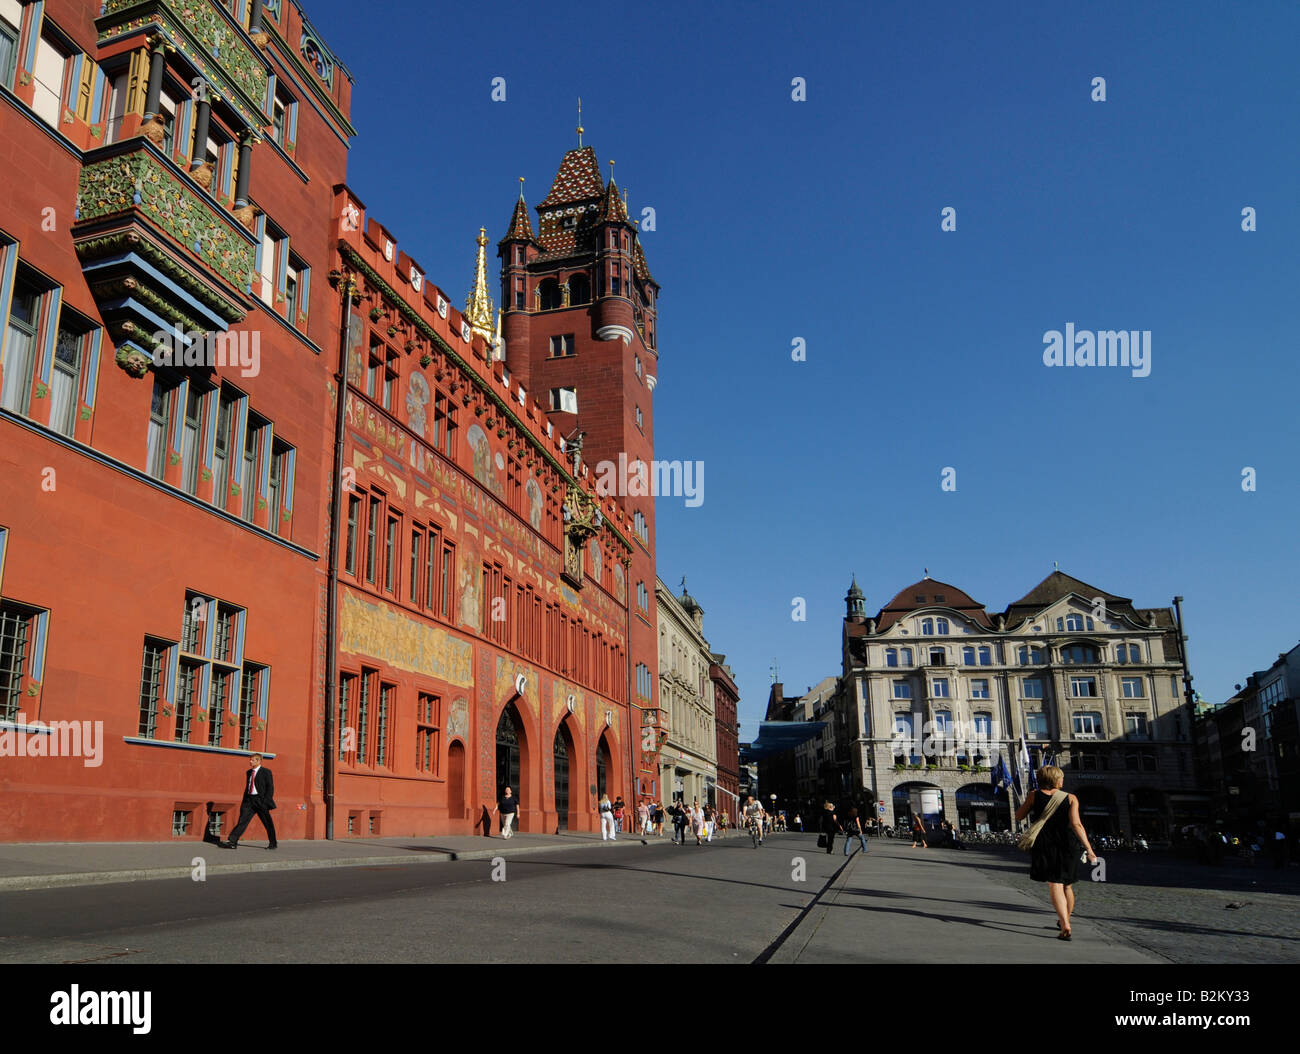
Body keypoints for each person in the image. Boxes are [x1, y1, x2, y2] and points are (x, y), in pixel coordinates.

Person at [1014, 764, 1097, 940]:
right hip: (1068, 844)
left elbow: (1018, 816)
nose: (1063, 780)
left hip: (1045, 844)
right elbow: (1076, 825)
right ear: (1055, 780)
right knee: (1067, 884)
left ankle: (1065, 924)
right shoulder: (1071, 798)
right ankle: (1065, 920)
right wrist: (1089, 849)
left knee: (1055, 884)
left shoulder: (1034, 795)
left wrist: (1030, 805)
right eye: (1061, 778)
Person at [220, 753, 277, 850]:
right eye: (250, 760)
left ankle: (273, 843)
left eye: (253, 760)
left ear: (259, 761)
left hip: (260, 800)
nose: (250, 761)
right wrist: (245, 801)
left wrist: (265, 801)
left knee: (267, 823)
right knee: (242, 821)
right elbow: (248, 787)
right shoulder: (249, 772)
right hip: (249, 801)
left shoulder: (266, 772)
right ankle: (233, 842)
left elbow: (270, 787)